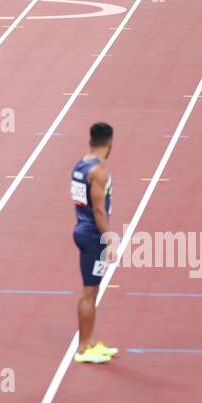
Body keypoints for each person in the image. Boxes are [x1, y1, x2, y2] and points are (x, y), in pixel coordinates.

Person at [71, 122, 119, 365]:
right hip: (92, 235)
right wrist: (110, 239)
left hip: (82, 229)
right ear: (109, 144)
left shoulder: (81, 163)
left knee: (93, 290)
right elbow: (99, 210)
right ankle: (83, 347)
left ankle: (89, 341)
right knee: (89, 292)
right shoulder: (99, 172)